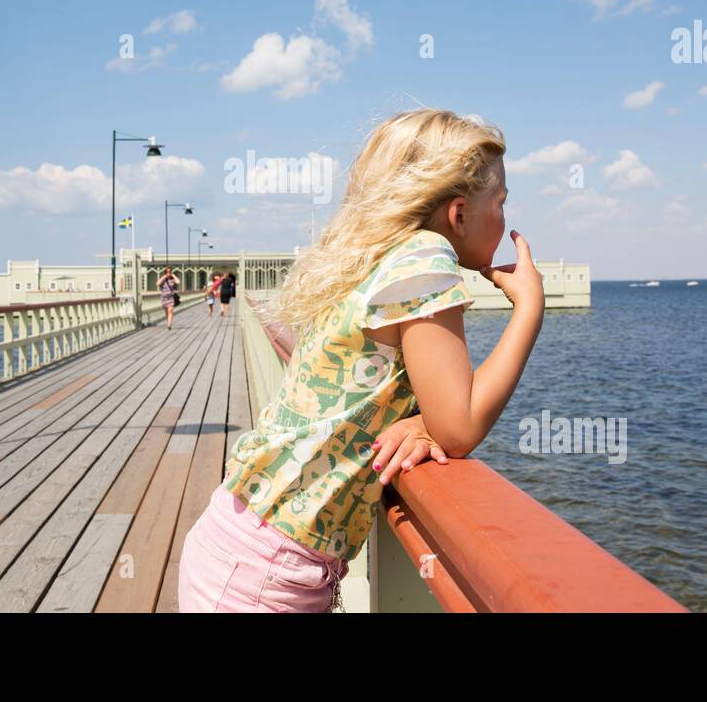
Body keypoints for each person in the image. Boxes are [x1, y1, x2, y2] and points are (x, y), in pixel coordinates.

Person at [177, 108, 545, 612]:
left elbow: (394, 392)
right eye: (501, 203)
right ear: (458, 213)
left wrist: (421, 420)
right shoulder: (424, 257)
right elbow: (460, 427)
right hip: (264, 577)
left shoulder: (374, 255)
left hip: (246, 545)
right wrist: (529, 309)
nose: (507, 221)